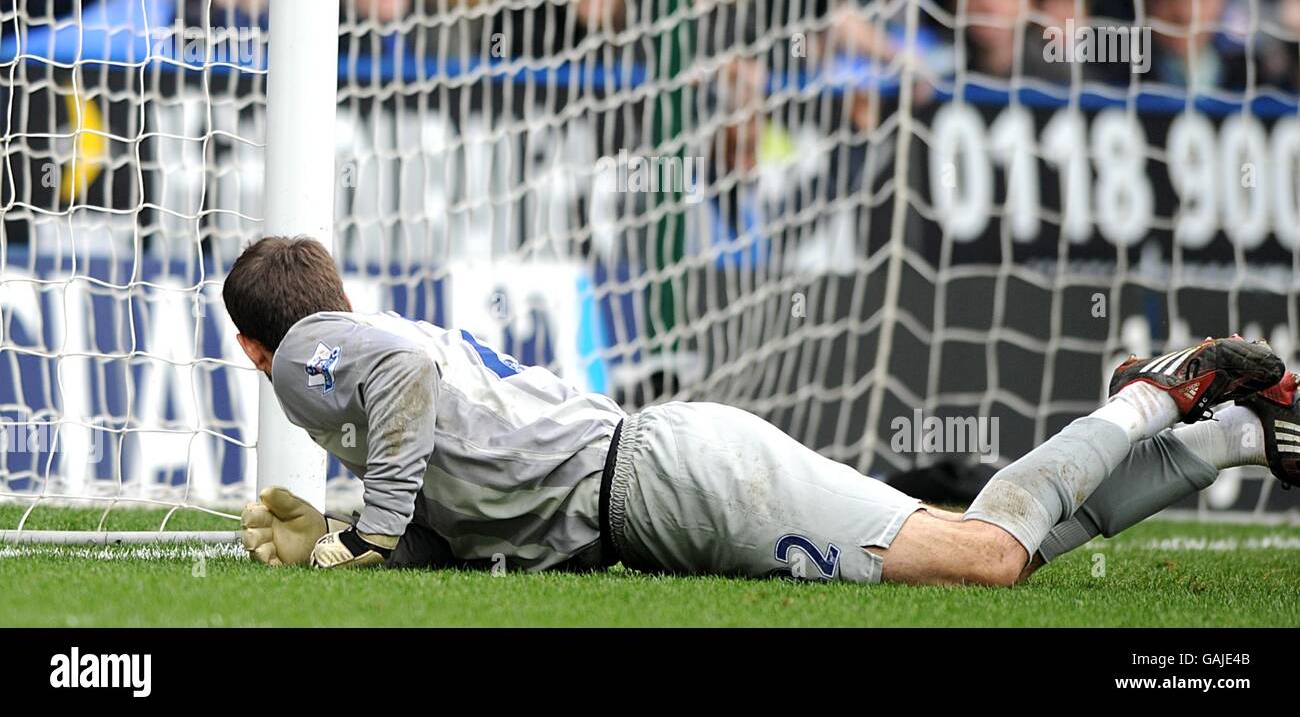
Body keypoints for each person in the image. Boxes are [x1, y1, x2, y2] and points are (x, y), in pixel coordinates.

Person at [227, 235, 1297, 583]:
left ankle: (1164, 390)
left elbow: (403, 394)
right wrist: (345, 540)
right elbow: (458, 519)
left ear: (254, 345)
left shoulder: (311, 354)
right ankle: (1237, 435)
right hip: (665, 477)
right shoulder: (369, 349)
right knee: (984, 554)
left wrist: (362, 526)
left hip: (669, 483)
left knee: (986, 555)